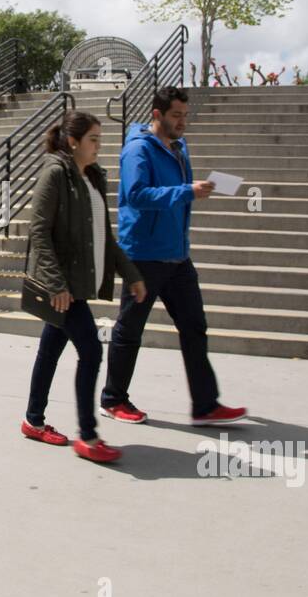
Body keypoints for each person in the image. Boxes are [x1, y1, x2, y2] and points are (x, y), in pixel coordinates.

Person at [100, 86, 248, 426]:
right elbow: (135, 195)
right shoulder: (137, 149)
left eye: (185, 115)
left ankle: (205, 405)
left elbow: (177, 193)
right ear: (157, 115)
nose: (182, 122)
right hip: (144, 254)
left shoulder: (181, 148)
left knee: (195, 327)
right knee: (129, 329)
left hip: (177, 255)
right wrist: (186, 191)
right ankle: (113, 399)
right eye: (175, 116)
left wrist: (199, 188)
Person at [23, 111, 146, 463]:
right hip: (63, 286)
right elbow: (39, 230)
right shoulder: (55, 173)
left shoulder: (91, 176)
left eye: (100, 139)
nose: (98, 146)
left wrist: (131, 274)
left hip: (76, 285)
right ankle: (88, 437)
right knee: (91, 351)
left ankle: (33, 420)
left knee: (50, 349)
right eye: (93, 139)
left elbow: (103, 237)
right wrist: (55, 283)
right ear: (73, 141)